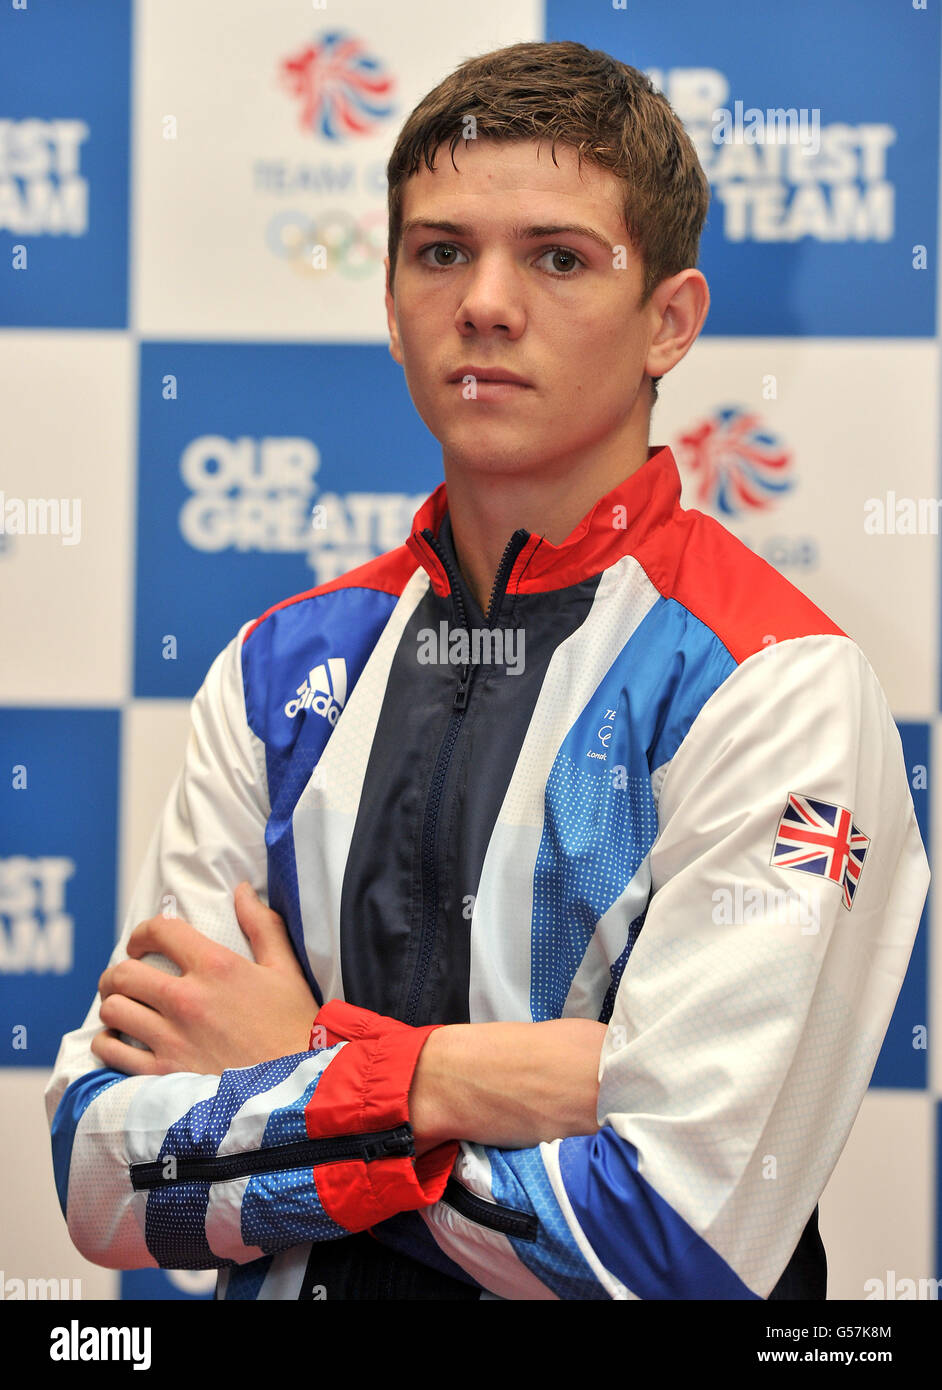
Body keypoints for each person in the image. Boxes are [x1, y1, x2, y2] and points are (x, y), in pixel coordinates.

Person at [45, 40, 929, 1302]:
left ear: (669, 322)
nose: (487, 303)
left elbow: (672, 1241)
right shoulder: (278, 670)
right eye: (442, 251)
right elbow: (102, 1174)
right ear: (393, 296)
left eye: (558, 257)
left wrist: (297, 1060)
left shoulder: (774, 682)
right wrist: (461, 1084)